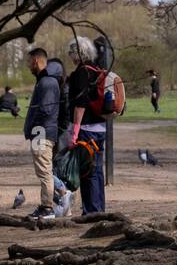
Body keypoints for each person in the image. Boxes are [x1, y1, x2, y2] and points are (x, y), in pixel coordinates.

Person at [67, 36, 124, 215]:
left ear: (78, 53)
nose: (70, 56)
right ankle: (98, 208)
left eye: (71, 52)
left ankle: (91, 211)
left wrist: (75, 131)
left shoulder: (81, 72)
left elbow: (81, 103)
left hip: (86, 130)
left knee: (87, 171)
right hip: (100, 128)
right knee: (97, 170)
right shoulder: (97, 70)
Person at [22, 47, 60, 220]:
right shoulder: (43, 81)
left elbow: (45, 109)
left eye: (30, 61)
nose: (29, 65)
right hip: (40, 131)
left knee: (44, 171)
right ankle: (63, 194)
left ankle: (47, 208)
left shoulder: (47, 82)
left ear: (36, 60)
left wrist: (32, 124)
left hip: (41, 132)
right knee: (43, 170)